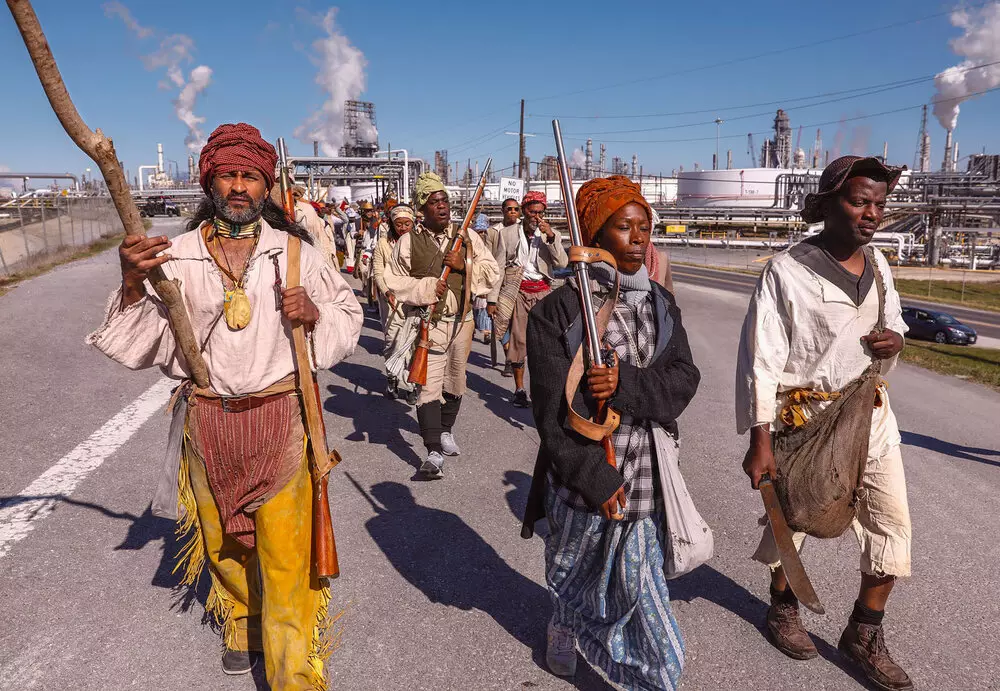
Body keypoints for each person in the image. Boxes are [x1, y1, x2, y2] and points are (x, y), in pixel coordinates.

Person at [87, 123, 363, 689]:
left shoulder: (296, 254)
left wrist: (314, 313)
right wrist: (134, 284)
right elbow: (145, 341)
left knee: (289, 565)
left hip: (282, 422)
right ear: (210, 180)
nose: (239, 185)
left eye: (250, 176)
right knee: (225, 546)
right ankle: (242, 617)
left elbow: (348, 316)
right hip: (208, 422)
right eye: (228, 174)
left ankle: (294, 678)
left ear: (267, 186)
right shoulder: (177, 256)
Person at [737, 156, 913, 691]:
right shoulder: (786, 271)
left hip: (871, 416)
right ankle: (783, 606)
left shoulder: (880, 266)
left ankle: (863, 631)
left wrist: (896, 340)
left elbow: (897, 320)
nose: (872, 214)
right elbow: (761, 360)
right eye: (860, 201)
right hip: (807, 420)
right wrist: (760, 438)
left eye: (879, 204)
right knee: (795, 519)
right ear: (829, 202)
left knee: (893, 526)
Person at [521, 175, 700, 689]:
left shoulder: (661, 306)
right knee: (570, 571)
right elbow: (552, 415)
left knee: (647, 607)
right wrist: (596, 481)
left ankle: (656, 680)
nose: (640, 237)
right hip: (583, 478)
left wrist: (625, 385)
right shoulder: (559, 311)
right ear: (597, 234)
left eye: (645, 226)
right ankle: (563, 621)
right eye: (625, 227)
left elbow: (684, 381)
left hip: (643, 480)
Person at [383, 172, 499, 478]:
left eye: (444, 200)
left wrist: (466, 264)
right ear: (422, 209)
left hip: (462, 322)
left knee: (456, 380)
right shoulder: (408, 241)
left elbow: (492, 271)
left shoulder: (467, 236)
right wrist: (424, 289)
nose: (442, 207)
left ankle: (446, 430)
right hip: (428, 324)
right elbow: (392, 281)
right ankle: (433, 451)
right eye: (434, 202)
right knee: (428, 386)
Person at [488, 191, 568, 407]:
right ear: (524, 211)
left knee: (545, 344)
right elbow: (499, 267)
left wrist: (550, 238)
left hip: (543, 293)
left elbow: (561, 263)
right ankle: (520, 389)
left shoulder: (551, 235)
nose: (536, 217)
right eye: (532, 212)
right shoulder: (508, 234)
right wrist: (492, 300)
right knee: (519, 342)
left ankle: (543, 390)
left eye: (540, 213)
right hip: (518, 292)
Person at [373, 203, 420, 404]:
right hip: (391, 301)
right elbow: (378, 272)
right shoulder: (383, 245)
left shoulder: (420, 243)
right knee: (392, 341)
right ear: (392, 224)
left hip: (414, 299)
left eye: (406, 223)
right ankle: (392, 378)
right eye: (398, 224)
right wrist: (386, 292)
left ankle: (409, 384)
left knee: (411, 342)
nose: (402, 228)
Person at [470, 212, 494, 343]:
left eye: (482, 232)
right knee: (474, 307)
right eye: (478, 232)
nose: (481, 235)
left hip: (484, 278)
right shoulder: (471, 241)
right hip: (472, 276)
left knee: (483, 307)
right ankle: (473, 328)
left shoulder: (489, 241)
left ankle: (486, 331)